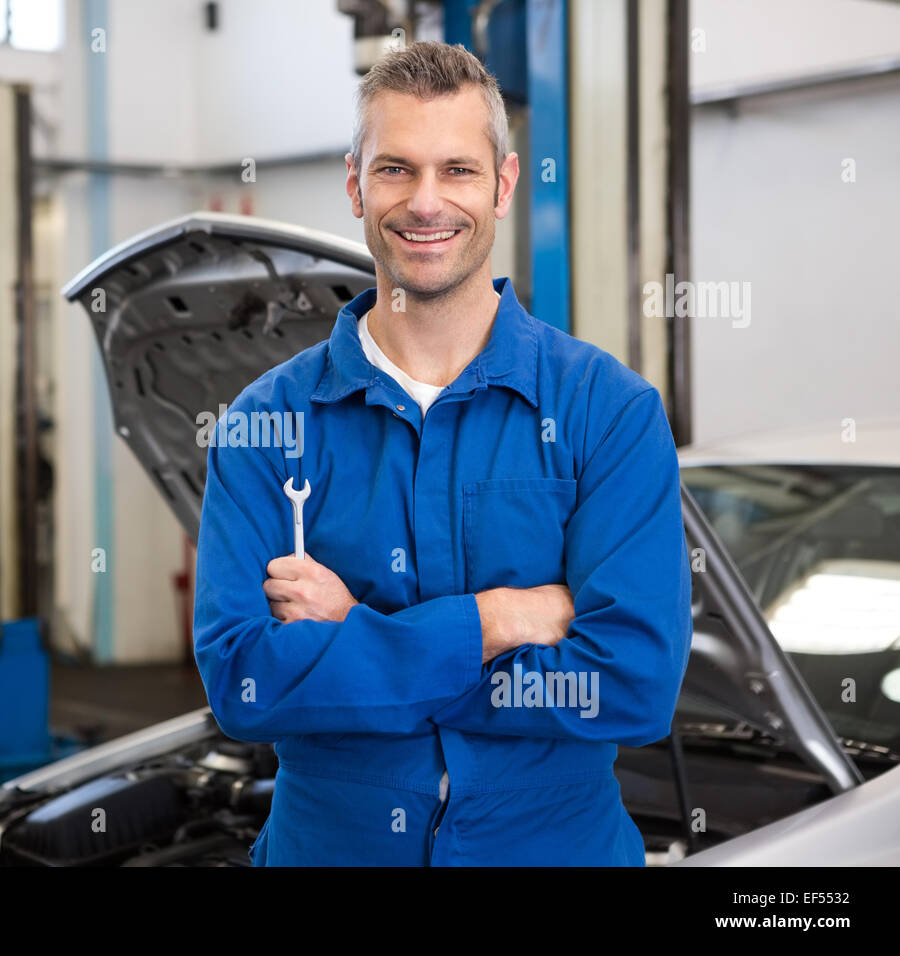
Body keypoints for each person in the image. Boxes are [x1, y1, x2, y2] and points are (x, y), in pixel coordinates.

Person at [192, 40, 691, 866]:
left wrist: (358, 634)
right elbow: (246, 684)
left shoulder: (609, 412)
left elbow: (632, 685)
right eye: (396, 169)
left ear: (502, 185)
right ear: (355, 183)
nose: (426, 202)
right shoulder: (262, 423)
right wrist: (499, 619)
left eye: (457, 170)